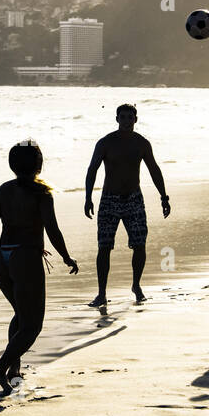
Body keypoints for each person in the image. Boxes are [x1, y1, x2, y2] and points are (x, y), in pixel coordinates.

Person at [0, 141, 78, 394]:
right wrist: (67, 257)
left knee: (20, 314)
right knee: (32, 325)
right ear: (39, 164)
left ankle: (14, 368)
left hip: (1, 256)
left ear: (12, 165)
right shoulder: (41, 193)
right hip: (25, 258)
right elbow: (52, 230)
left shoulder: (2, 190)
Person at [84, 103, 170, 306]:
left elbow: (154, 170)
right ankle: (101, 293)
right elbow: (92, 170)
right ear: (117, 119)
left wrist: (164, 197)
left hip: (133, 199)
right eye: (122, 117)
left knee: (140, 245)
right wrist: (88, 197)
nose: (126, 121)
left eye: (130, 117)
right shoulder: (105, 143)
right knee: (104, 247)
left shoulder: (142, 143)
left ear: (135, 120)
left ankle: (136, 285)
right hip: (109, 199)